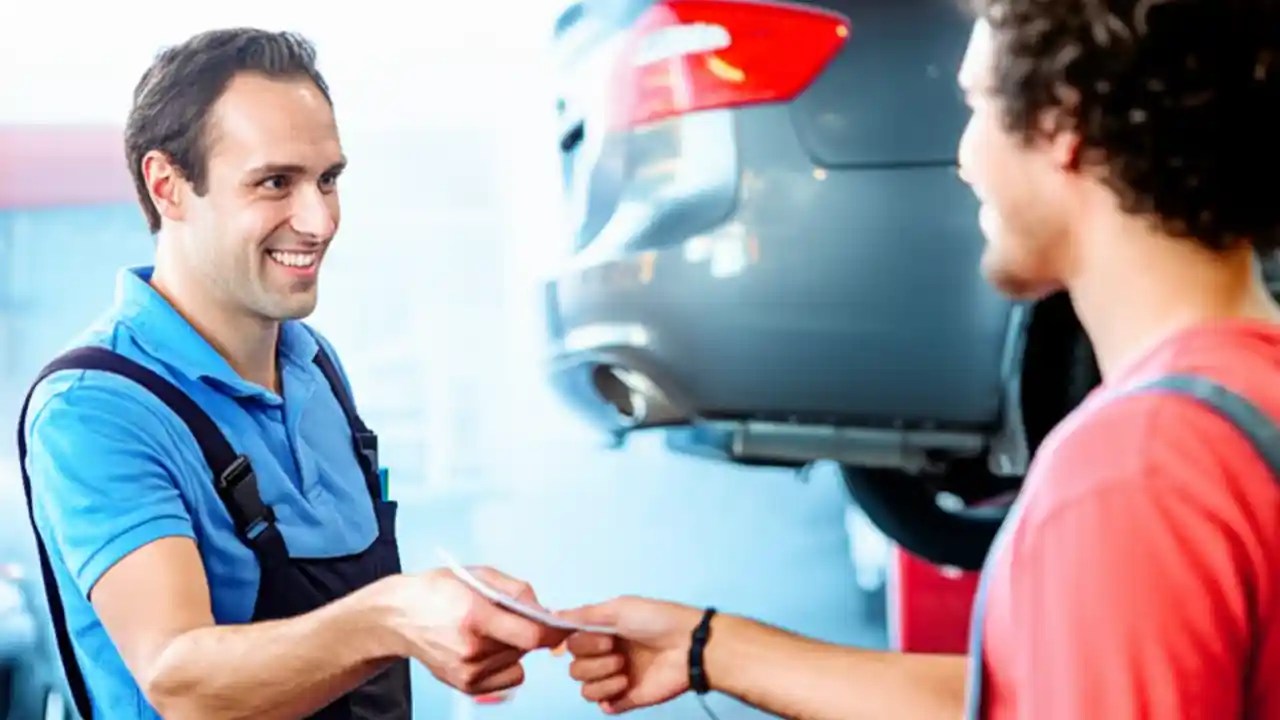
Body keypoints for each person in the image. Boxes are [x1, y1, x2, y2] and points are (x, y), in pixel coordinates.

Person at [559, 1, 1280, 718]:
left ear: (1062, 122)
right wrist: (709, 648)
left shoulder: (1134, 472)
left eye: (976, 106)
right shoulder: (1244, 398)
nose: (966, 158)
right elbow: (1036, 695)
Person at [17, 28, 567, 720]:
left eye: (328, 179)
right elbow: (180, 680)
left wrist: (445, 621)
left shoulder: (316, 364)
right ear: (168, 186)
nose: (319, 220)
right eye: (276, 182)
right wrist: (393, 617)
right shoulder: (95, 407)